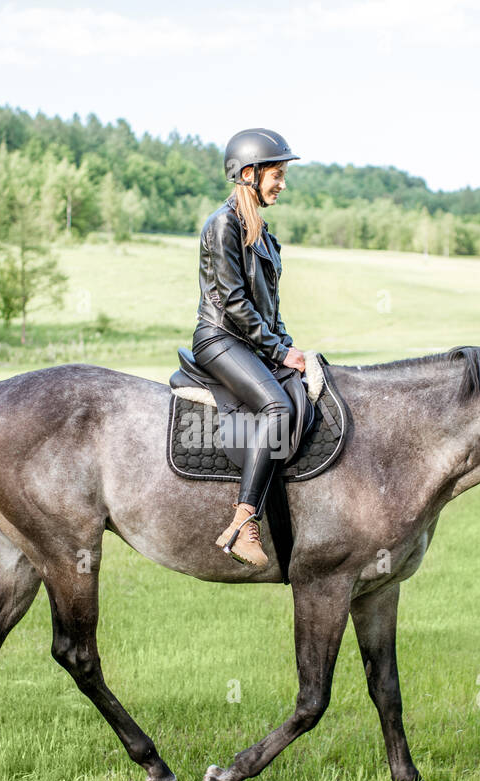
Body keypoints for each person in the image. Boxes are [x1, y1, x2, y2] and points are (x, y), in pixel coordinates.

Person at [192, 128, 308, 567]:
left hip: (250, 342)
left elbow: (269, 307)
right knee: (276, 408)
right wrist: (278, 352)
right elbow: (236, 304)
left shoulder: (258, 229)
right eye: (276, 174)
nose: (281, 184)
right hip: (220, 340)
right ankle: (243, 521)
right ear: (248, 173)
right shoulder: (222, 225)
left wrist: (286, 345)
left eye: (282, 175)